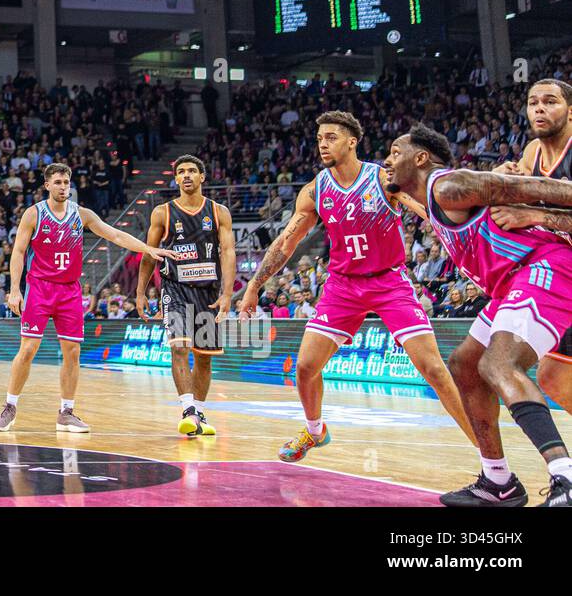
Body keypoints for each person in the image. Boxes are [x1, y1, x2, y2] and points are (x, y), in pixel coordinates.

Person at [237, 111, 475, 463]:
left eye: (331, 137)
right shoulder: (316, 189)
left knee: (434, 370)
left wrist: (469, 235)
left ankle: (486, 452)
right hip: (342, 286)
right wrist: (254, 285)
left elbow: (430, 212)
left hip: (389, 281)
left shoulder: (382, 179)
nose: (322, 144)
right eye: (319, 139)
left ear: (352, 141)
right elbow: (287, 241)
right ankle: (315, 431)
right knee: (305, 367)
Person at [384, 124, 572, 507]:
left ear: (421, 158)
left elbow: (531, 189)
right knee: (464, 365)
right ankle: (498, 481)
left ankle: (565, 477)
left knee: (498, 365)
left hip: (543, 266)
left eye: (394, 152)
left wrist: (530, 211)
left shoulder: (449, 185)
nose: (387, 161)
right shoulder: (432, 200)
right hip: (511, 282)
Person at [0, 163, 176, 433]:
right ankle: (10, 405)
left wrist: (148, 248)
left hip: (69, 290)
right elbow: (18, 252)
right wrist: (15, 290)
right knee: (28, 350)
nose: (63, 187)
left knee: (73, 352)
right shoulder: (34, 214)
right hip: (39, 287)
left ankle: (66, 412)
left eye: (66, 182)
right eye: (57, 182)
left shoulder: (82, 214)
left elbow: (114, 234)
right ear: (47, 185)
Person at [136, 154, 235, 437]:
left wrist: (228, 293)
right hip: (175, 289)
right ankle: (188, 409)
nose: (187, 175)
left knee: (204, 357)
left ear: (202, 177)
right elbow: (148, 255)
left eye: (192, 171)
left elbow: (228, 252)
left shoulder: (219, 212)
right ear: (176, 179)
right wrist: (141, 292)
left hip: (209, 292)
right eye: (181, 172)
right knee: (179, 348)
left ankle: (199, 415)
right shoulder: (162, 213)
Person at [491, 78, 572, 416]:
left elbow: (529, 214)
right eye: (533, 101)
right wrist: (498, 179)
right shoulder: (531, 153)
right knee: (554, 377)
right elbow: (511, 202)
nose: (539, 108)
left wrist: (534, 214)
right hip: (564, 270)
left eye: (550, 101)